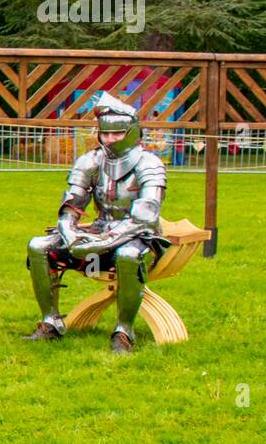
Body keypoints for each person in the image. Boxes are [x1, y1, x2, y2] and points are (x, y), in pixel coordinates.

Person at [25, 92, 168, 354]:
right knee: (37, 246)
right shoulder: (91, 160)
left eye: (117, 134)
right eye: (105, 134)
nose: (110, 140)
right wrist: (71, 236)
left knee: (128, 255)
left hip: (139, 236)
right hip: (98, 230)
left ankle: (124, 331)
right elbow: (71, 205)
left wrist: (103, 242)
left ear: (132, 132)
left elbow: (145, 216)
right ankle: (50, 322)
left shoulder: (150, 164)